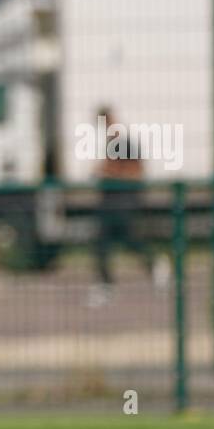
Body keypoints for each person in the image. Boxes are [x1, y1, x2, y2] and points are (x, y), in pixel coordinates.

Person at [90, 105, 159, 305]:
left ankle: (155, 267)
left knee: (130, 240)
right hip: (110, 200)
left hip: (123, 200)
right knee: (101, 244)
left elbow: (136, 170)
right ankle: (105, 285)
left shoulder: (123, 141)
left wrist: (110, 174)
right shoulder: (112, 142)